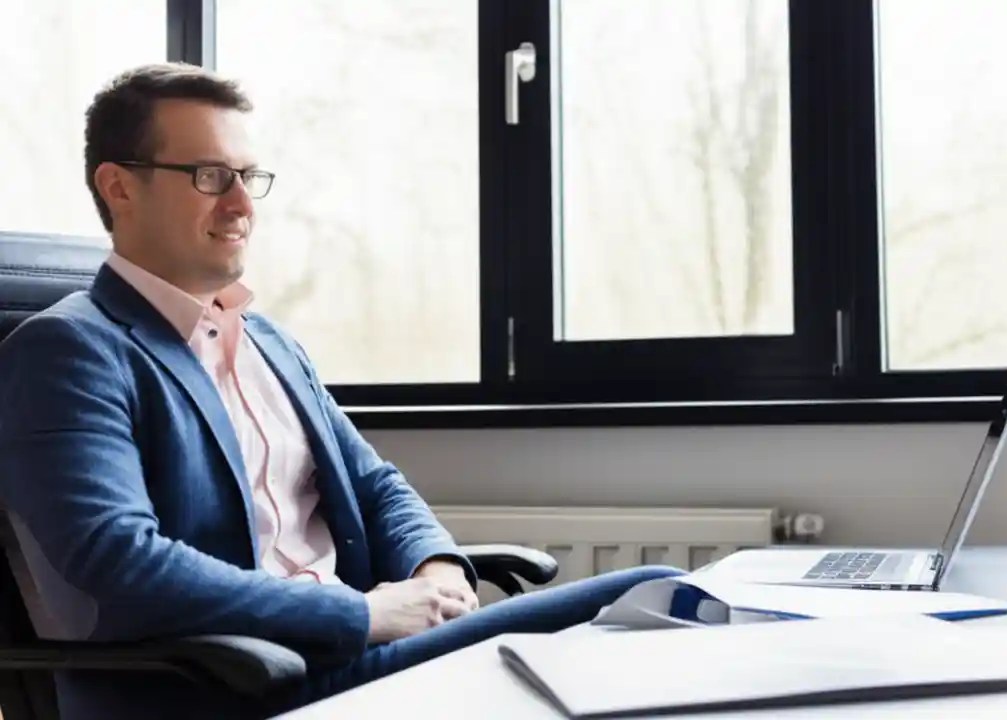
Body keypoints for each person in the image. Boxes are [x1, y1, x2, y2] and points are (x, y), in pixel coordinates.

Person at [0, 62, 683, 719]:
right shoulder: (69, 349)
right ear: (119, 186)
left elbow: (374, 483)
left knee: (666, 607)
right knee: (651, 598)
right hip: (252, 683)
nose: (241, 203)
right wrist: (361, 615)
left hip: (355, 655)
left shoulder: (266, 339)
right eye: (211, 176)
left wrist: (438, 568)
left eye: (248, 176)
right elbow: (115, 563)